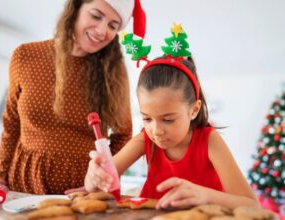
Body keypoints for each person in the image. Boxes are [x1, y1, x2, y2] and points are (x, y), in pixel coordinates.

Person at [0, 0, 147, 195]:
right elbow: (11, 123)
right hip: (22, 184)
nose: (101, 30)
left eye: (112, 26)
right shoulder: (25, 56)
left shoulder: (114, 75)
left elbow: (123, 136)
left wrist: (101, 178)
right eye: (96, 16)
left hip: (81, 192)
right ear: (75, 8)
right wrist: (0, 175)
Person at [84, 25, 259, 209]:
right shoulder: (145, 139)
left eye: (168, 119)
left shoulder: (209, 141)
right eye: (147, 119)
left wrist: (204, 194)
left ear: (193, 110)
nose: (156, 131)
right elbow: (97, 185)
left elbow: (251, 205)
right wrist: (93, 177)